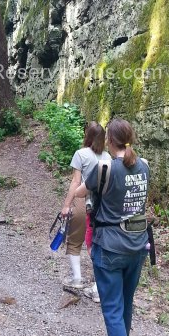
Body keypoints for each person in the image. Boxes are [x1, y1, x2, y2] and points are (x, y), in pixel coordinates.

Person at [73, 118, 149, 336]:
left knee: (113, 309)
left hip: (110, 245)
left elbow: (82, 191)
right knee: (126, 302)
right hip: (137, 245)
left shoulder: (103, 167)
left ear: (109, 141)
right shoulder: (144, 166)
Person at [60, 122, 110, 301]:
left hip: (83, 201)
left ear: (87, 135)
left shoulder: (81, 154)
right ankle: (98, 286)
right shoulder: (107, 156)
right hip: (103, 207)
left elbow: (76, 182)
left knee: (75, 240)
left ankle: (77, 278)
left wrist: (67, 205)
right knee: (97, 245)